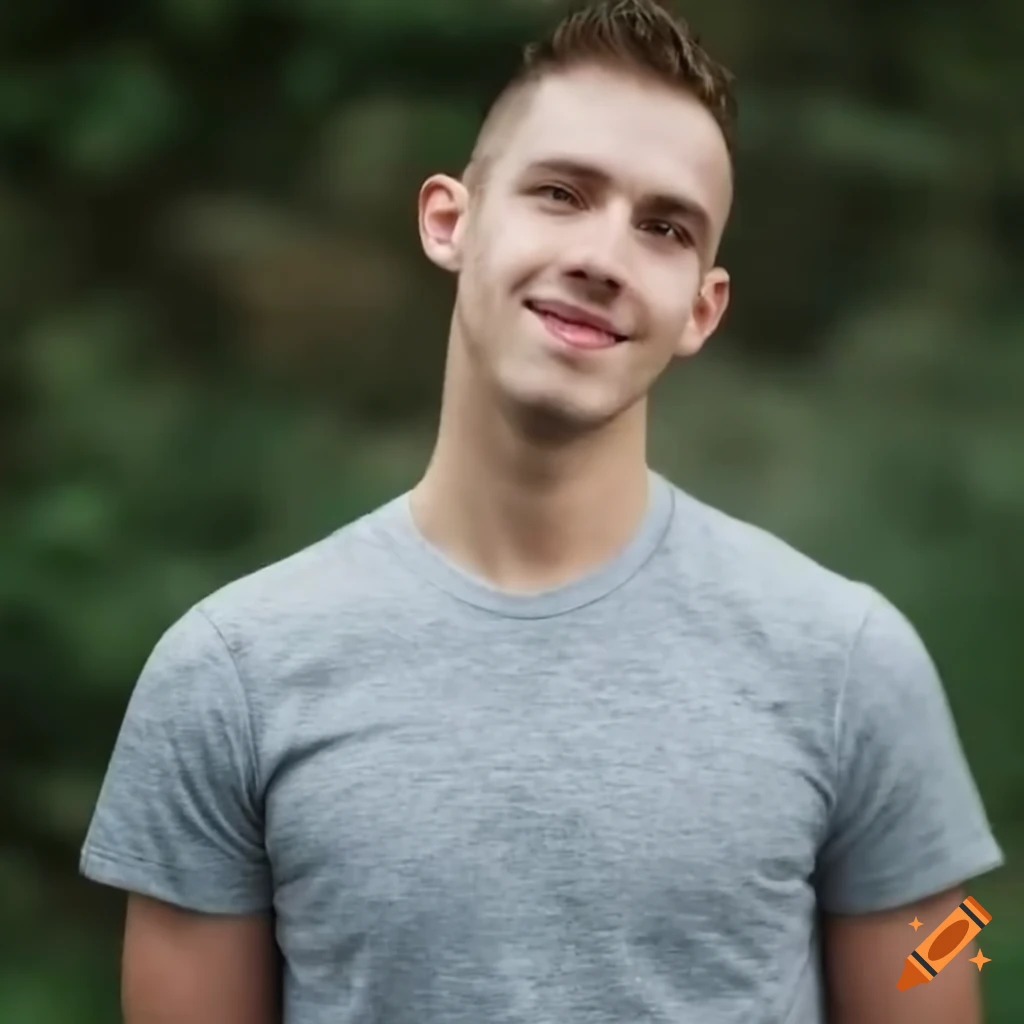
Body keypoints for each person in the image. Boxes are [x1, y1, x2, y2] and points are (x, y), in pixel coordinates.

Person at [80, 2, 1005, 1022]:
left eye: (663, 227)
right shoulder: (227, 677)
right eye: (561, 193)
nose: (604, 256)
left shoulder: (850, 662)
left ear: (701, 305)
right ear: (450, 220)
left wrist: (951, 938)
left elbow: (945, 949)